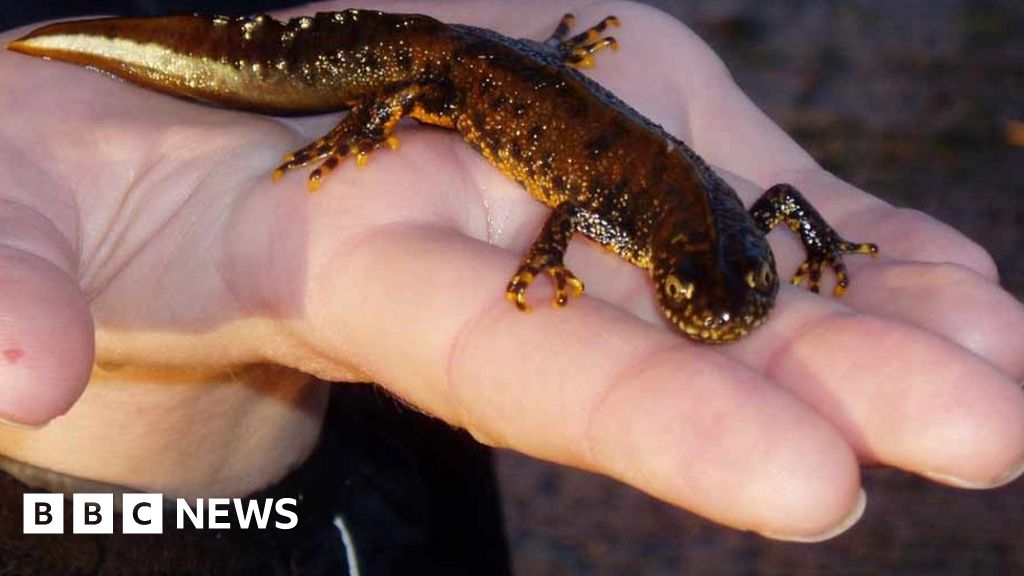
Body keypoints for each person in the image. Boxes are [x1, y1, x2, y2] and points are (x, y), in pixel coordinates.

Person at [0, 0, 1021, 568]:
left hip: (505, 69)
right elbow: (578, 213)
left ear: (750, 262)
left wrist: (827, 246)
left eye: (732, 302)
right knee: (403, 97)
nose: (712, 320)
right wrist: (533, 258)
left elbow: (787, 199)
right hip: (452, 73)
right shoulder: (635, 221)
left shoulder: (710, 226)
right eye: (695, 300)